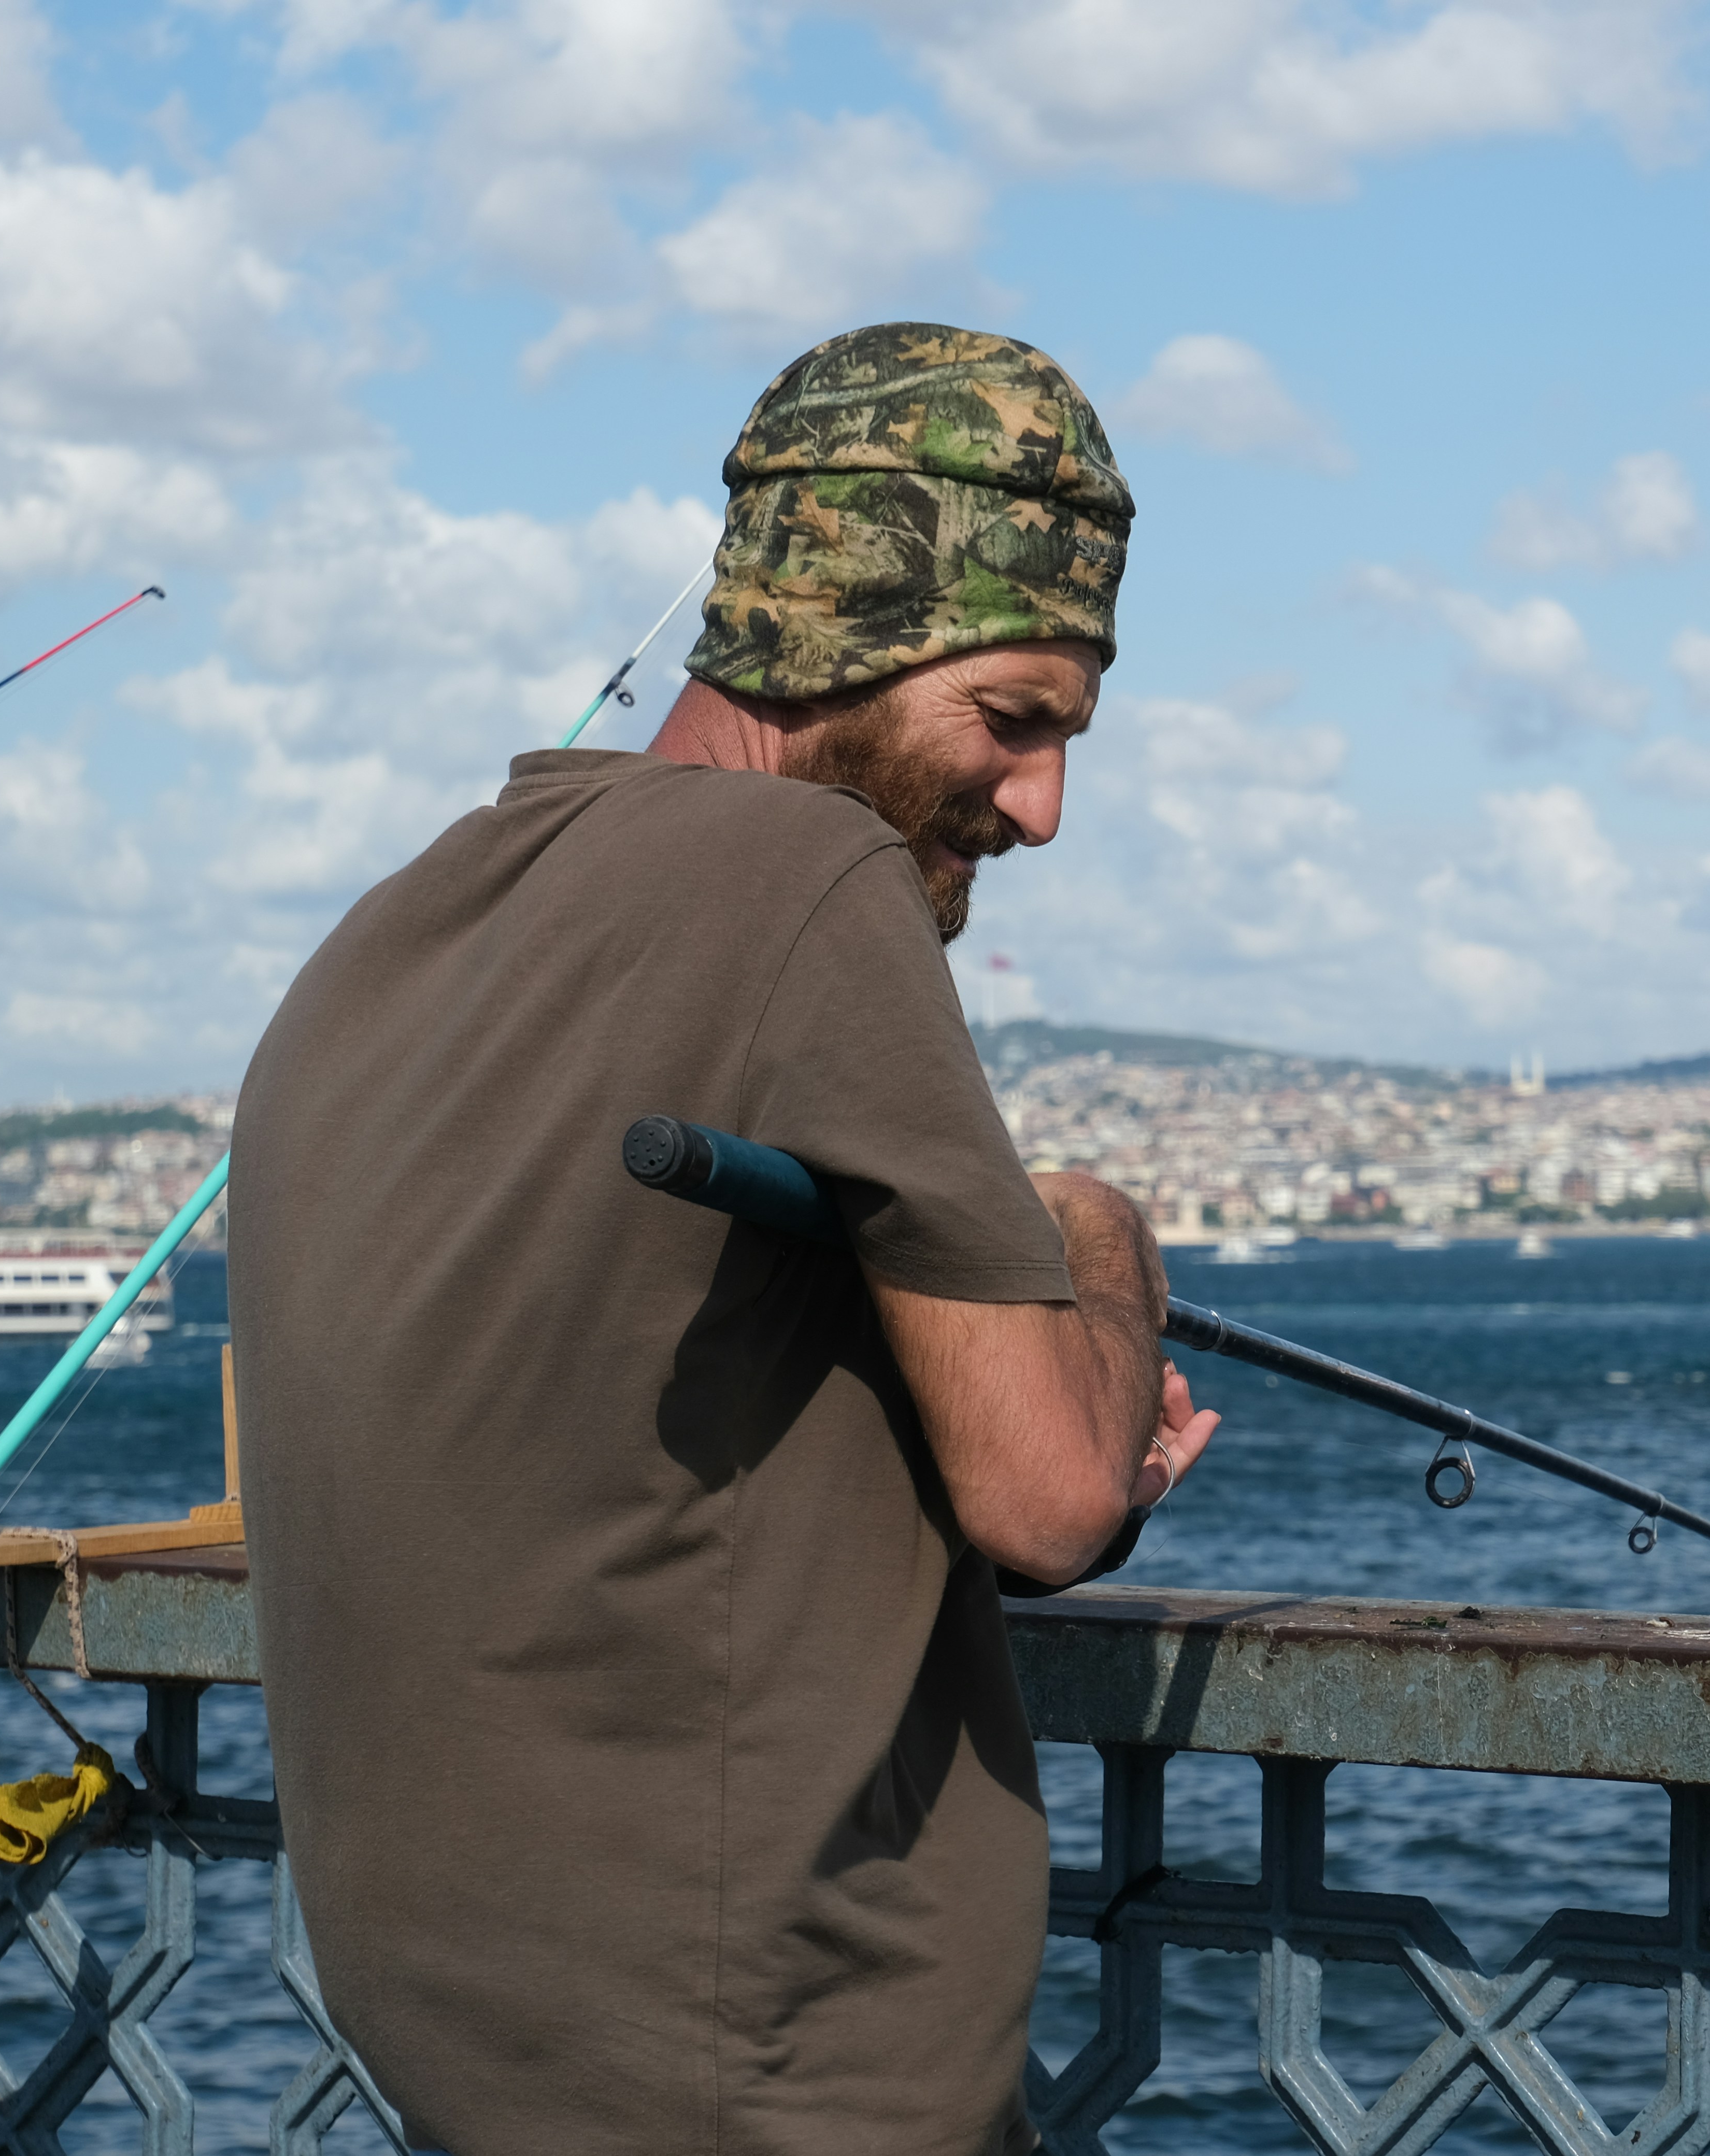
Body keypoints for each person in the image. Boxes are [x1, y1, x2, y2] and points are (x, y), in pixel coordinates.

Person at [230, 322, 1219, 2156]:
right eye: (1011, 721)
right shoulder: (807, 879)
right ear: (851, 630)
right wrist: (1093, 1238)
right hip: (780, 2095)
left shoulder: (391, 931)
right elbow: (1055, 1495)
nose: (1042, 808)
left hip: (467, 2068)